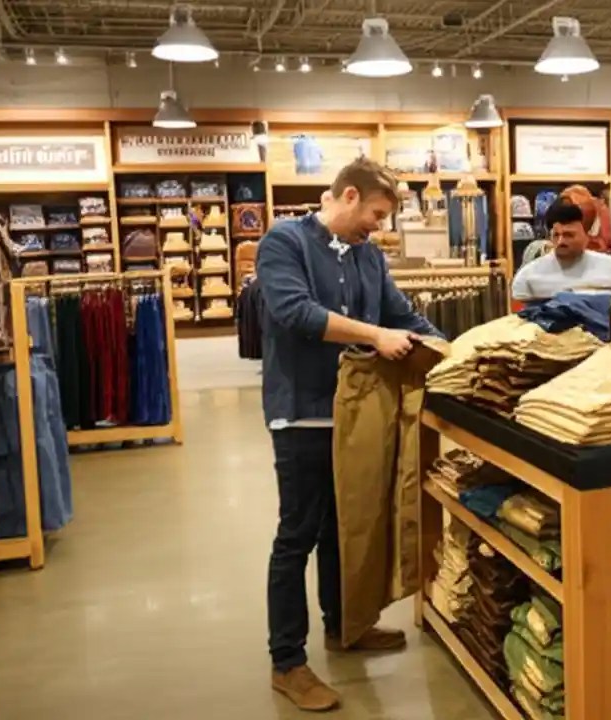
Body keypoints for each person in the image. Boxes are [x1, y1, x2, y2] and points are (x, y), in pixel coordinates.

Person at [256, 157, 441, 713]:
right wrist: (377, 335)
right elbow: (296, 313)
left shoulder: (366, 257)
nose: (378, 229)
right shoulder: (283, 242)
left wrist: (454, 350)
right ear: (350, 196)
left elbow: (401, 315)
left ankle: (343, 628)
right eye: (377, 215)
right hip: (303, 413)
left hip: (355, 414)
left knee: (344, 526)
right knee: (298, 535)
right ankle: (286, 661)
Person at [512, 198, 611, 300]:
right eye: (556, 235)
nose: (561, 241)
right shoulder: (528, 277)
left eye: (569, 235)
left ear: (586, 237)